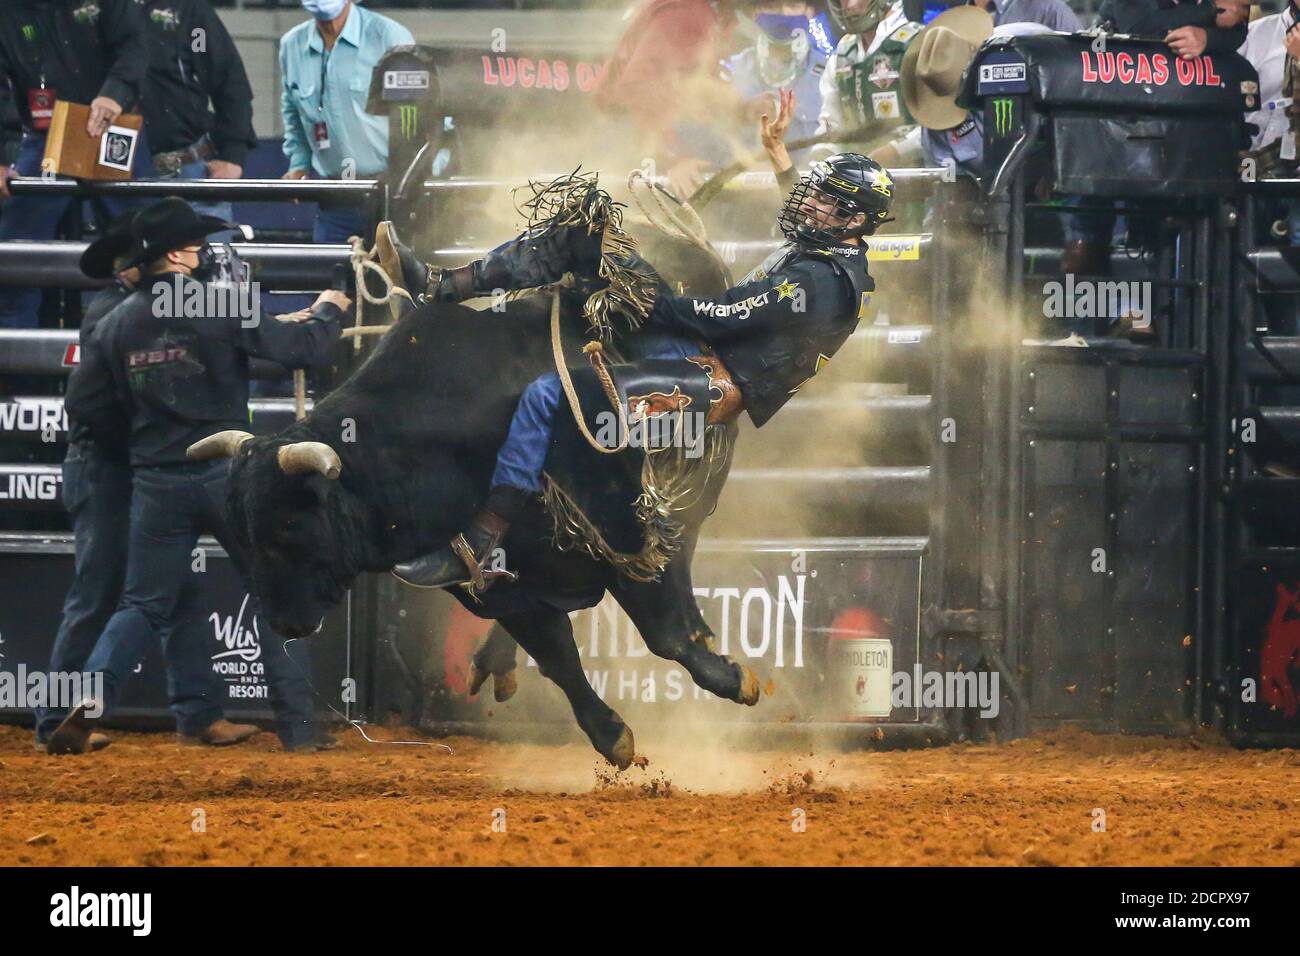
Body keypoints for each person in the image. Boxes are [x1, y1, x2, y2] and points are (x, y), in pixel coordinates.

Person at [380, 153, 892, 591]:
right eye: (814, 193)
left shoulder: (821, 282)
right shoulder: (823, 251)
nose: (809, 202)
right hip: (698, 349)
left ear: (850, 219)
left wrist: (641, 298)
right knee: (587, 231)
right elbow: (720, 312)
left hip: (707, 388)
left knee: (546, 397)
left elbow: (724, 315)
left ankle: (478, 543)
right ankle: (441, 286)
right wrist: (781, 160)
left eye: (825, 200)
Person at [48, 198, 350, 754]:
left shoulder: (114, 323)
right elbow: (302, 346)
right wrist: (332, 306)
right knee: (270, 590)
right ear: (179, 254)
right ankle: (301, 728)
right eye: (196, 244)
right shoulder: (221, 303)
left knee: (142, 603)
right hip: (227, 471)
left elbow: (89, 407)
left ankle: (89, 698)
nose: (203, 252)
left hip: (157, 480)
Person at [38, 211, 261, 753]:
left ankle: (198, 712)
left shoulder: (122, 313)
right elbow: (90, 409)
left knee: (170, 593)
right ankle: (55, 720)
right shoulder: (121, 315)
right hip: (110, 467)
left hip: (137, 467)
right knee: (101, 592)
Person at [0, 0, 154, 330]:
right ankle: (17, 373)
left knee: (149, 254)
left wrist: (115, 92)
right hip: (45, 135)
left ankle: (151, 362)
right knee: (12, 262)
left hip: (112, 126)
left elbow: (134, 44)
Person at [279, 0, 415, 243]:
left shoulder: (388, 36)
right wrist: (298, 164)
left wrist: (416, 178)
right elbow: (293, 111)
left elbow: (422, 111)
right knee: (333, 277)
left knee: (396, 278)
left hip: (392, 197)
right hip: (333, 201)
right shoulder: (292, 45)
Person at [141, 0, 257, 226]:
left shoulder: (188, 15)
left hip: (189, 169)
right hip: (116, 173)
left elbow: (226, 77)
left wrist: (233, 154)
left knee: (207, 259)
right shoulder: (102, 10)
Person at [817, 0, 926, 166]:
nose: (850, 5)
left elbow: (941, 124)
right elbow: (832, 126)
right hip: (857, 180)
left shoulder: (919, 43)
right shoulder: (842, 54)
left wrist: (897, 149)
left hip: (915, 176)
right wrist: (820, 155)